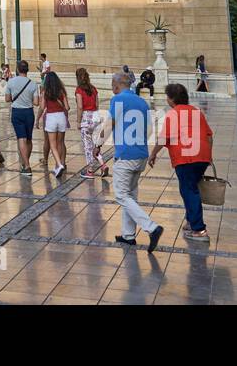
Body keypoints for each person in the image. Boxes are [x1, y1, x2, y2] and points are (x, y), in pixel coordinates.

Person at [107, 69, 163, 252]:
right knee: (130, 195)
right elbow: (149, 130)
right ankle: (128, 235)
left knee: (122, 195)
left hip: (125, 155)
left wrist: (97, 142)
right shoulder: (142, 102)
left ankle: (151, 227)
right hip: (141, 154)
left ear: (117, 85)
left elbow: (109, 125)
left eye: (112, 86)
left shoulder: (117, 100)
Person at [149, 83, 213, 241]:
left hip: (186, 158)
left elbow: (164, 138)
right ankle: (191, 222)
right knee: (190, 188)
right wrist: (209, 155)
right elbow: (209, 136)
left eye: (167, 96)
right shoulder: (197, 112)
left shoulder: (173, 114)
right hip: (202, 157)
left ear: (172, 99)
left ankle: (199, 230)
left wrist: (153, 154)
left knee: (189, 190)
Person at [4, 59, 37, 176]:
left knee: (21, 138)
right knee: (28, 139)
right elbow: (36, 102)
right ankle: (25, 162)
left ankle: (27, 166)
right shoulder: (32, 83)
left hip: (17, 112)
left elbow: (7, 99)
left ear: (18, 69)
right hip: (29, 112)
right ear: (27, 70)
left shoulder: (11, 82)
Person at [37, 70, 71, 178]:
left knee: (52, 144)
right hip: (61, 117)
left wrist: (37, 119)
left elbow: (42, 107)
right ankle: (59, 164)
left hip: (51, 117)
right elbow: (67, 107)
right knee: (60, 142)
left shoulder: (45, 92)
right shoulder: (61, 92)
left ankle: (59, 165)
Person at [74, 67, 104, 177]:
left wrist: (78, 121)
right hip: (95, 117)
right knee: (96, 144)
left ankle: (90, 170)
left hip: (86, 118)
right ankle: (102, 164)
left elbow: (80, 107)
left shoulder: (79, 90)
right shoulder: (94, 89)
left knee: (87, 145)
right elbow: (97, 104)